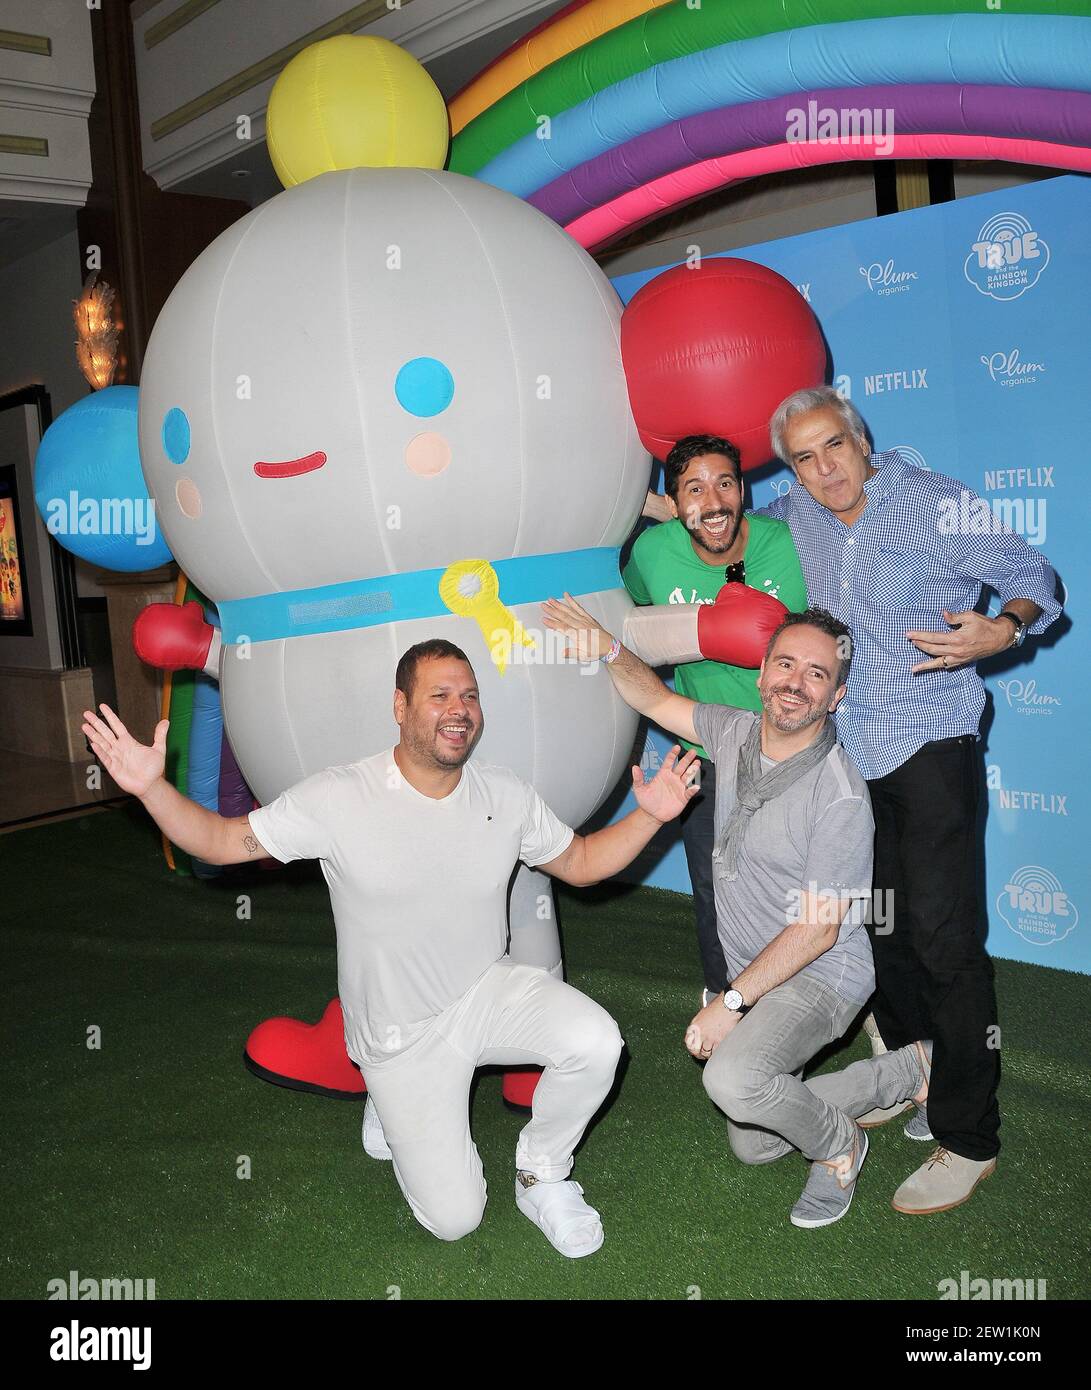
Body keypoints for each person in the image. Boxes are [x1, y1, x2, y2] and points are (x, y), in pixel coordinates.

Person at [81, 639, 700, 1259]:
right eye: (439, 695)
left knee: (598, 1042)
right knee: (456, 1219)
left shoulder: (505, 794)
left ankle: (542, 1174)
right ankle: (385, 1094)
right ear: (400, 707)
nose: (459, 709)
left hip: (487, 990)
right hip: (398, 1034)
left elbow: (584, 863)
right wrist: (150, 789)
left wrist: (651, 816)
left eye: (470, 696)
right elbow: (219, 841)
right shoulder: (339, 797)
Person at [759, 384, 1062, 1214]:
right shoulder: (795, 514)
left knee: (942, 938)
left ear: (861, 440)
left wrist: (1005, 626)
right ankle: (912, 1069)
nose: (823, 470)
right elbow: (724, 531)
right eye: (803, 457)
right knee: (880, 926)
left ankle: (968, 1136)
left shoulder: (934, 502)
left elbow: (1032, 573)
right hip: (847, 755)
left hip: (930, 739)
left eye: (832, 447)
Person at [542, 597, 931, 1228]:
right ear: (761, 673)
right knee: (754, 1141)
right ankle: (906, 1071)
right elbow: (654, 700)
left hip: (824, 971)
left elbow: (819, 928)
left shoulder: (839, 794)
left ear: (835, 697)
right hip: (764, 965)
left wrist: (731, 1004)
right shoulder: (736, 730)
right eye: (785, 664)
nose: (795, 683)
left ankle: (840, 1147)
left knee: (733, 1082)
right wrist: (609, 647)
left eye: (816, 674)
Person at [626, 435, 807, 1004]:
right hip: (706, 747)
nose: (714, 502)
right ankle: (721, 996)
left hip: (792, 748)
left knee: (800, 887)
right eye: (694, 489)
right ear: (675, 502)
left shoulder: (783, 542)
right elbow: (629, 615)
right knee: (712, 883)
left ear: (743, 487)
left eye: (725, 483)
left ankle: (807, 996)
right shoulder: (653, 553)